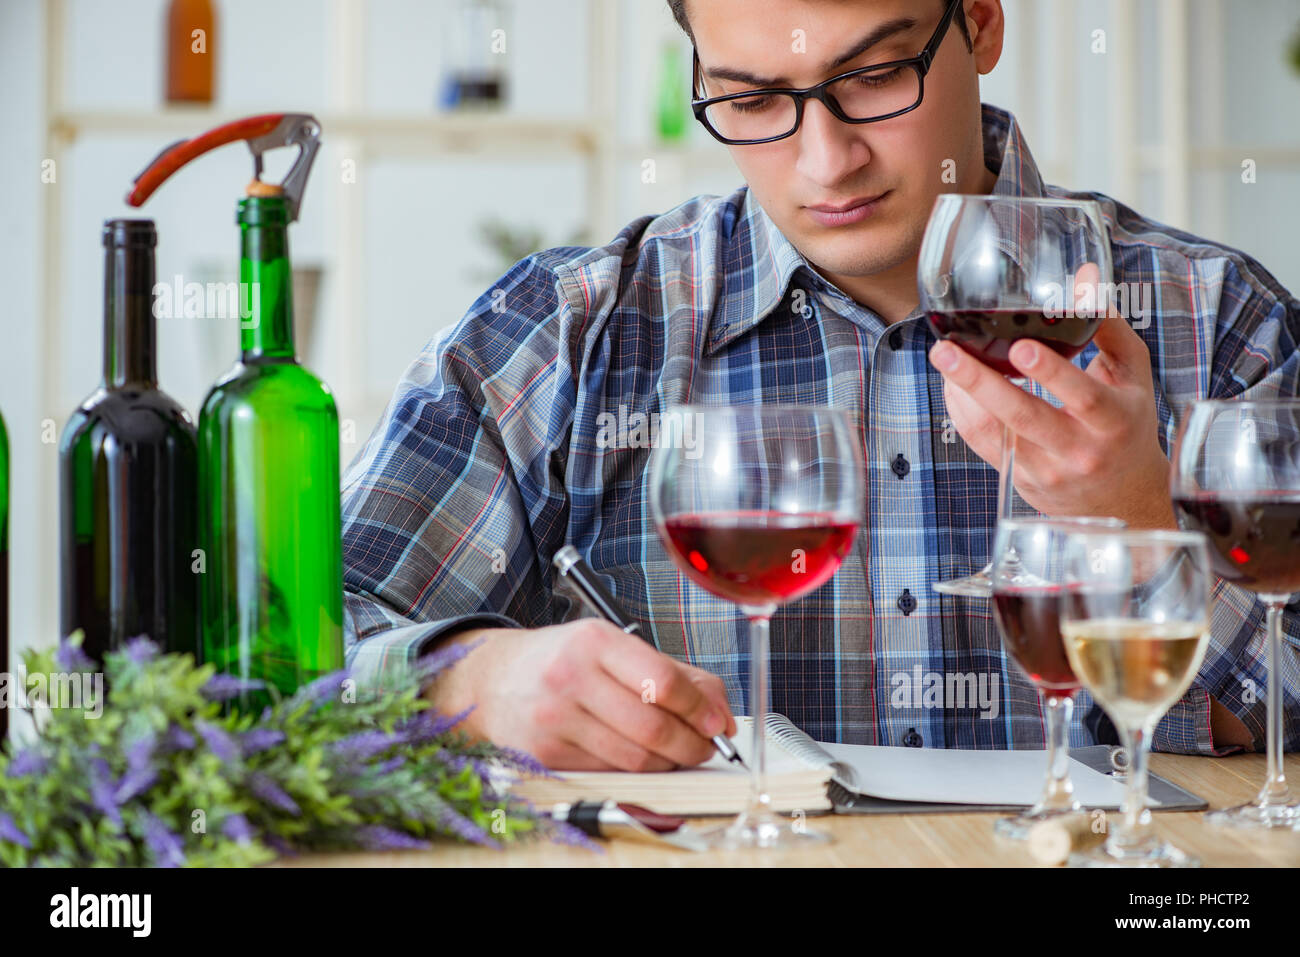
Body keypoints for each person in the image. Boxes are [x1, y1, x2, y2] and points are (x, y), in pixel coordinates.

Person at [341, 0, 1299, 770]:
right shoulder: (568, 334)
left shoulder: (1220, 324)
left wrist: (1143, 529)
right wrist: (467, 685)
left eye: (876, 75)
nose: (826, 160)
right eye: (753, 101)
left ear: (981, 22)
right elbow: (284, 648)